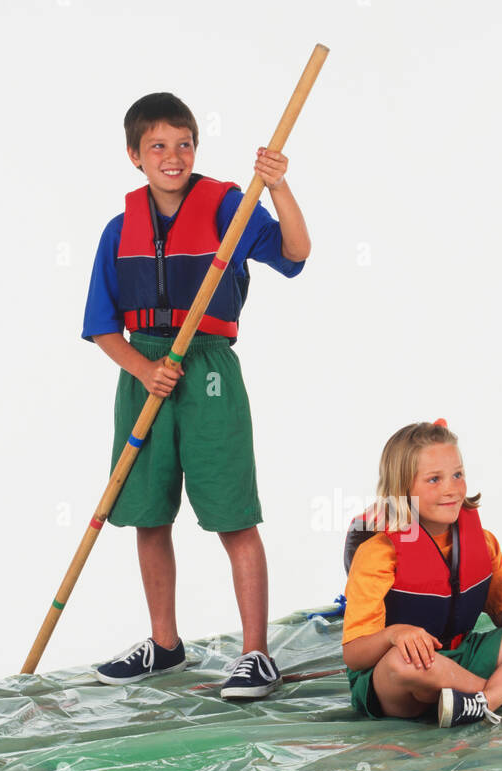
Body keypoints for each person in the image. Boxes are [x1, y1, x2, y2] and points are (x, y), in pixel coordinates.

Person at [81, 92, 310, 699]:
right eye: (157, 146)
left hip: (206, 370)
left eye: (184, 144)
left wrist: (278, 187)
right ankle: (164, 645)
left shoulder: (228, 207)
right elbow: (101, 324)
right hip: (143, 374)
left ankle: (255, 655)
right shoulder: (117, 229)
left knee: (233, 514)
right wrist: (142, 367)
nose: (173, 156)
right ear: (135, 156)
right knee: (147, 516)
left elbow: (295, 253)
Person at [343, 421, 502, 728]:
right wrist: (395, 634)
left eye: (457, 474)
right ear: (402, 488)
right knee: (399, 663)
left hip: (464, 655)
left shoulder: (483, 542)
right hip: (406, 677)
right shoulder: (378, 554)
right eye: (434, 479)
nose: (451, 489)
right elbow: (354, 655)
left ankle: (484, 700)